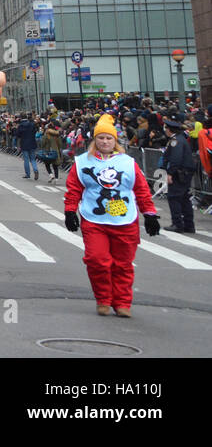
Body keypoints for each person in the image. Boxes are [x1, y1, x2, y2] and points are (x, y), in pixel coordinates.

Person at [64, 114, 161, 317]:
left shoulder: (128, 162)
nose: (105, 142)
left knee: (123, 264)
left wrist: (150, 214)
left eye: (109, 138)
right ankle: (103, 299)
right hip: (94, 219)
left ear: (115, 141)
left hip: (124, 220)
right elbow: (74, 189)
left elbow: (142, 190)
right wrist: (70, 211)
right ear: (95, 140)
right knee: (96, 259)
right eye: (101, 138)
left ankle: (122, 302)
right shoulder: (83, 162)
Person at [159, 117, 197, 233]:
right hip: (184, 172)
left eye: (166, 128)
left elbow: (175, 159)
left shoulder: (175, 141)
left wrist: (170, 173)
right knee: (185, 198)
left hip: (179, 173)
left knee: (174, 197)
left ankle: (177, 224)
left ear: (169, 130)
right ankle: (189, 225)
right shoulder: (180, 139)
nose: (165, 130)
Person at [16, 113, 39, 180]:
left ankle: (28, 174)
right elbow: (35, 131)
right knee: (33, 159)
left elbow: (18, 135)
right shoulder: (31, 124)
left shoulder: (21, 125)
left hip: (24, 143)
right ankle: (35, 170)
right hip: (32, 142)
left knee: (26, 159)